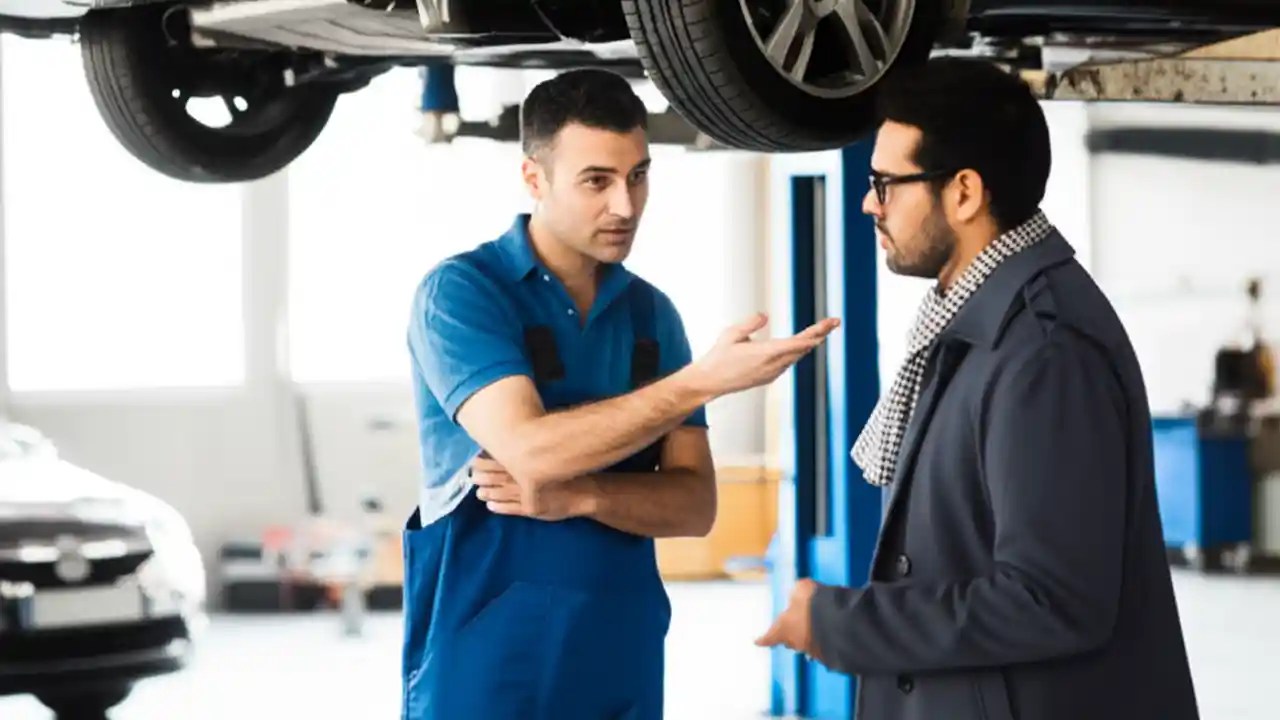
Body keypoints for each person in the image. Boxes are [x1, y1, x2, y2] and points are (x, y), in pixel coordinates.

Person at [756, 58, 1199, 720]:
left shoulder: (1045, 355)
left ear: (964, 193)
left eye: (885, 183)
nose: (868, 202)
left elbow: (1054, 599)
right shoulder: (979, 323)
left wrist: (844, 624)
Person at [401, 68, 839, 720]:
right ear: (534, 179)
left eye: (638, 176)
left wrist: (584, 494)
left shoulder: (651, 317)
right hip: (485, 670)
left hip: (619, 660)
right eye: (597, 182)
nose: (625, 206)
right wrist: (696, 384)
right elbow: (531, 452)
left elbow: (694, 506)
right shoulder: (462, 294)